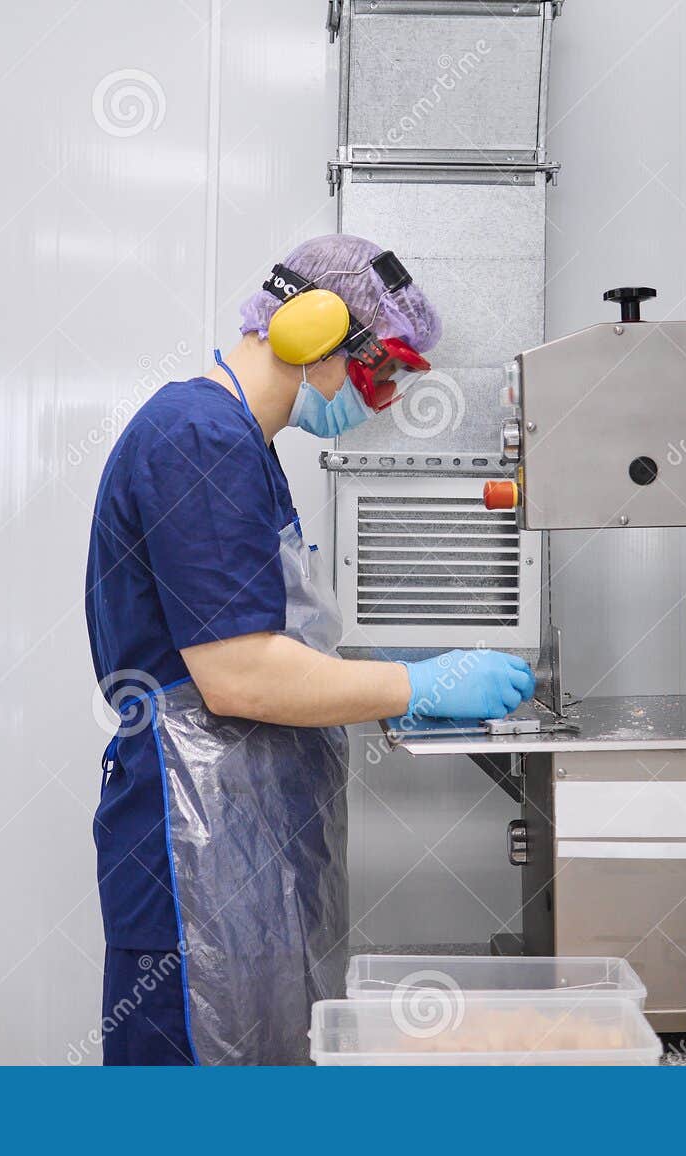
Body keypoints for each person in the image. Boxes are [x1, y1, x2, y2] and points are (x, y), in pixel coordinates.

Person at [84, 233, 535, 1065]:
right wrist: (415, 685)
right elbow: (240, 675)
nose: (389, 400)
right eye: (381, 371)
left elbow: (262, 640)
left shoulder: (240, 445)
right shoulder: (197, 438)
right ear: (312, 336)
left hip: (239, 825)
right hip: (195, 835)